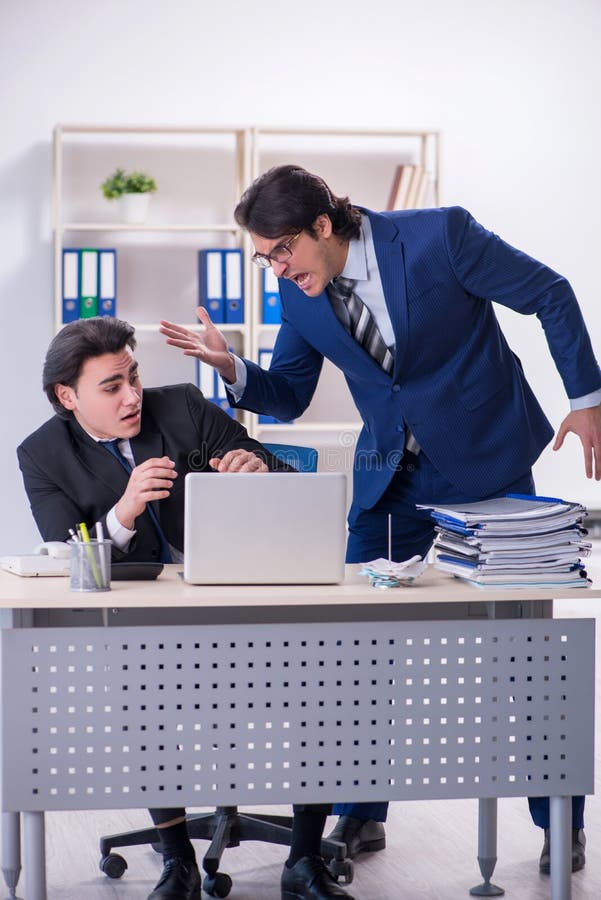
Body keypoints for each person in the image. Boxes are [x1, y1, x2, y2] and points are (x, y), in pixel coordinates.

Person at [159, 164, 601, 875]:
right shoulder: (296, 295)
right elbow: (289, 396)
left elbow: (548, 292)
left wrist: (586, 397)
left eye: (281, 250)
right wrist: (233, 368)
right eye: (263, 256)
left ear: (322, 226)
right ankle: (359, 815)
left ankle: (559, 821)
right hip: (388, 479)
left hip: (486, 463)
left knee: (528, 659)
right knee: (352, 654)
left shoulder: (439, 237)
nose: (274, 267)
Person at [17, 315, 355, 900]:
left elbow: (282, 476)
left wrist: (259, 471)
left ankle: (304, 861)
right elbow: (65, 553)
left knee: (322, 678)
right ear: (66, 397)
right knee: (140, 692)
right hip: (139, 628)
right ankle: (177, 860)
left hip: (242, 604)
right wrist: (122, 513)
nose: (132, 395)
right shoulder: (43, 454)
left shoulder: (185, 407)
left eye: (134, 376)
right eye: (112, 386)